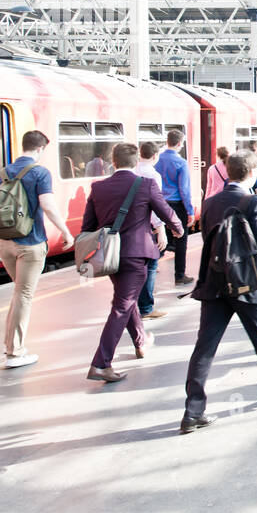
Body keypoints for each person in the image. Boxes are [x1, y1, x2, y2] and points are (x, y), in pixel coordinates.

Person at [181, 152, 257, 433]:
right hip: (247, 281)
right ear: (251, 173)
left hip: (215, 283)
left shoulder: (209, 203)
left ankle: (192, 411)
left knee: (204, 348)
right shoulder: (253, 202)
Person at [82, 143, 186, 383]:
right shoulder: (145, 184)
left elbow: (88, 226)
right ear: (136, 161)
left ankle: (141, 343)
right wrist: (178, 228)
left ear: (113, 161)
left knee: (125, 300)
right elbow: (165, 211)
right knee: (123, 304)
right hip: (136, 254)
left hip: (110, 255)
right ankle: (101, 363)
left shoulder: (98, 187)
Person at [0, 130, 76, 367]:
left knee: (19, 293)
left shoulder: (0, 173)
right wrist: (66, 231)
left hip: (4, 243)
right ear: (40, 149)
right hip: (30, 242)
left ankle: (11, 345)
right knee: (23, 295)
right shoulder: (39, 172)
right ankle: (14, 352)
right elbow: (47, 204)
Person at [134, 141, 170, 322]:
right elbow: (156, 204)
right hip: (148, 227)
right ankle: (146, 308)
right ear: (155, 156)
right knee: (151, 266)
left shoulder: (132, 171)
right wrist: (161, 228)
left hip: (132, 226)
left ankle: (134, 306)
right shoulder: (153, 175)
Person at [155, 129, 194, 286]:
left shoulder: (157, 159)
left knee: (159, 236)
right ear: (179, 143)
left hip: (159, 203)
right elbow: (184, 190)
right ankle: (179, 275)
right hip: (176, 205)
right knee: (181, 239)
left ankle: (151, 266)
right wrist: (190, 211)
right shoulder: (181, 163)